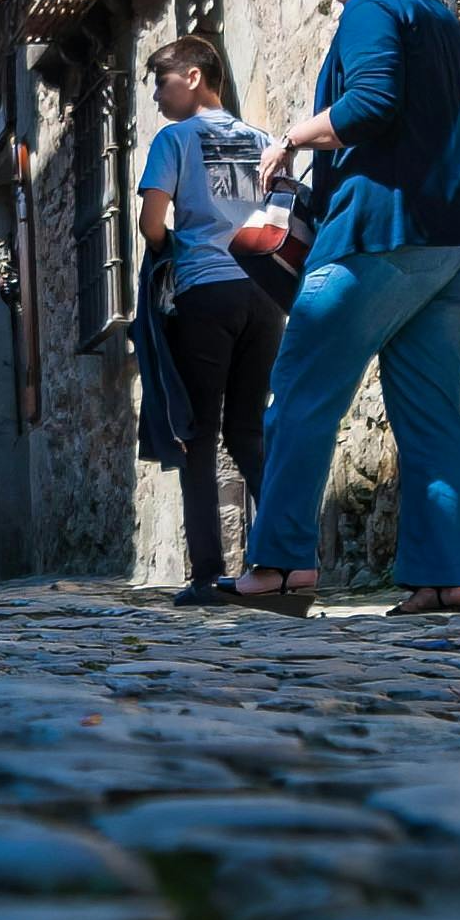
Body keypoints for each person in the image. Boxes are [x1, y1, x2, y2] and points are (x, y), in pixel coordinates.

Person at [230, 0, 460, 617]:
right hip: (458, 242)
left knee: (298, 396)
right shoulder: (440, 18)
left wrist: (290, 136)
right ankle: (446, 579)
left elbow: (370, 104)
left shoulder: (369, 11)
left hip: (381, 237)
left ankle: (282, 566)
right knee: (431, 412)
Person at [139, 34, 283, 606]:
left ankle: (205, 574)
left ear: (194, 77)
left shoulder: (174, 139)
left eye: (162, 82)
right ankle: (284, 558)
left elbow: (152, 224)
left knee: (197, 434)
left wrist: (173, 247)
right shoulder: (263, 140)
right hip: (265, 295)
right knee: (248, 429)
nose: (155, 96)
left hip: (206, 291)